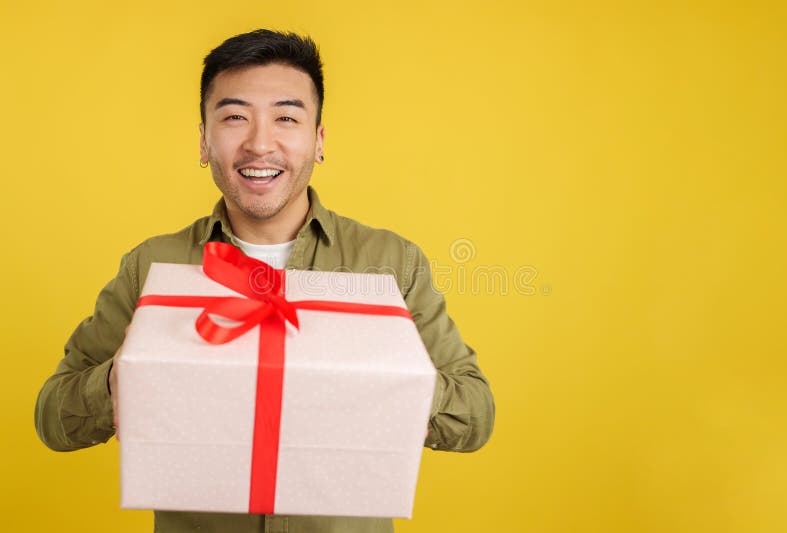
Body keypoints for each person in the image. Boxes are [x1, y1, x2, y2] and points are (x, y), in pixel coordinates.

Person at [34, 29, 494, 533]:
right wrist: (117, 381)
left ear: (319, 140)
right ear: (205, 141)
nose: (259, 143)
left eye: (286, 118)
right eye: (235, 117)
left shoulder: (390, 265)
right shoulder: (153, 267)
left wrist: (391, 374)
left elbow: (474, 416)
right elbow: (52, 418)